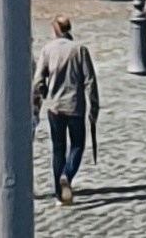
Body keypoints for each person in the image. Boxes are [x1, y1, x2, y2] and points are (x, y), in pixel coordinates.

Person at [32, 12, 100, 206]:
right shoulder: (79, 50)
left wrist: (45, 94)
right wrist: (94, 108)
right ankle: (67, 176)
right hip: (75, 106)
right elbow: (90, 82)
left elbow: (38, 80)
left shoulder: (48, 49)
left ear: (56, 30)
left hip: (55, 108)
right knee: (77, 145)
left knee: (58, 149)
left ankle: (59, 194)